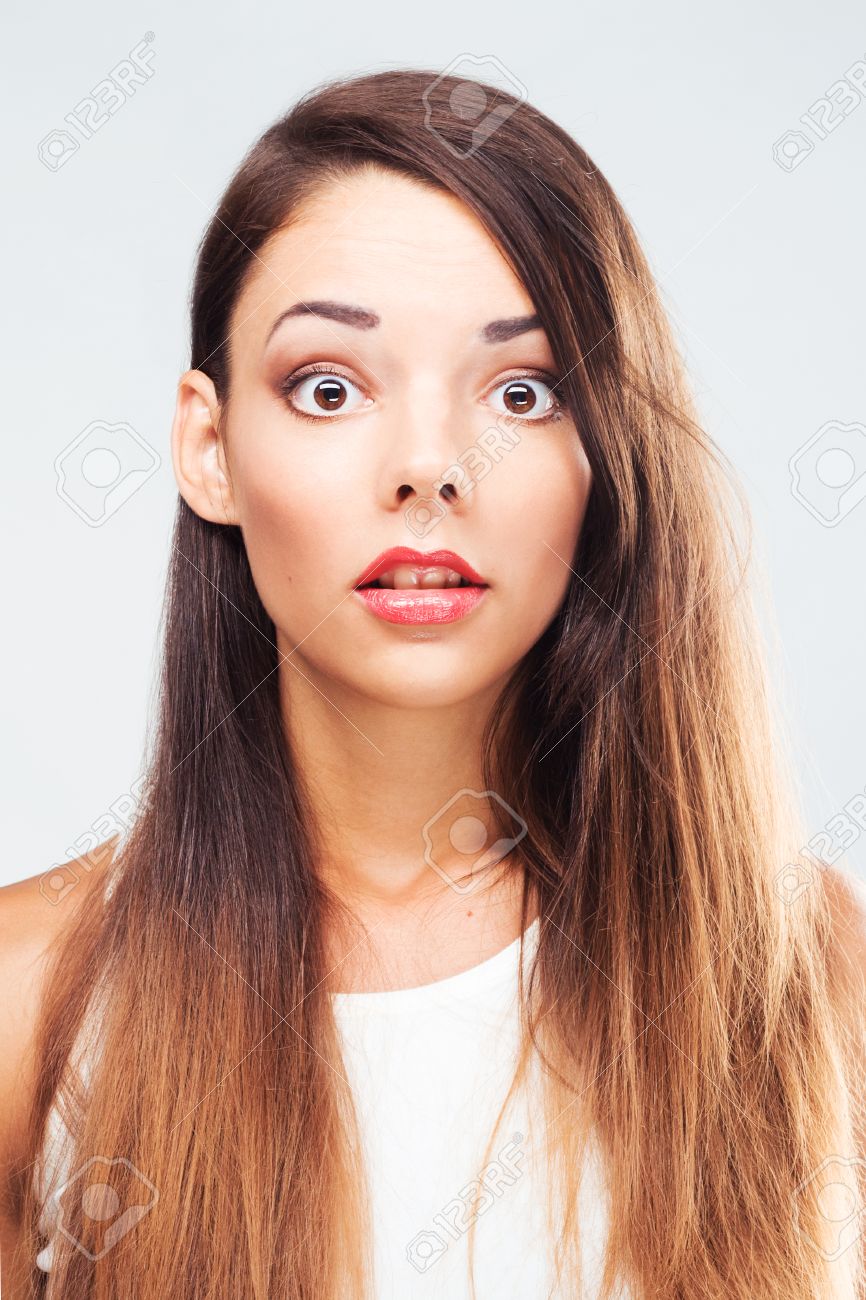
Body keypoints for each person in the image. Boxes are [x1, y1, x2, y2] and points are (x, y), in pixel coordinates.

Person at [2, 66, 865, 1300]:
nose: (427, 466)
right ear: (209, 448)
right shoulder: (29, 995)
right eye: (329, 388)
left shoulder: (802, 967)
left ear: (606, 454)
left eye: (519, 392)